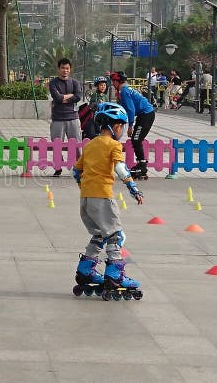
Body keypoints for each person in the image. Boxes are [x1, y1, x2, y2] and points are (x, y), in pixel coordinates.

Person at [71, 102, 144, 301]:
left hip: (86, 199)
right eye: (122, 126)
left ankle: (85, 271)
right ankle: (115, 276)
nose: (122, 131)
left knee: (98, 235)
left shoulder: (90, 144)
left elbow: (75, 171)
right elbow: (121, 169)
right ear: (115, 126)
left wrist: (84, 187)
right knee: (116, 237)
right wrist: (133, 189)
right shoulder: (114, 145)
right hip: (103, 197)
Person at [111, 70, 155, 179]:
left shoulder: (124, 91)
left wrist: (130, 126)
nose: (112, 84)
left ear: (118, 81)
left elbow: (131, 110)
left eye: (113, 81)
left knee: (136, 139)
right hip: (143, 115)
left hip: (146, 114)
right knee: (136, 140)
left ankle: (142, 166)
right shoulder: (124, 90)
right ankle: (141, 164)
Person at [48, 57, 82, 177]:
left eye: (67, 68)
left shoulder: (75, 83)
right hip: (57, 118)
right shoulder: (53, 83)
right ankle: (58, 167)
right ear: (58, 69)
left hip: (73, 117)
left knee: (77, 144)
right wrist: (69, 96)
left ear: (70, 69)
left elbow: (78, 97)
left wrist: (63, 97)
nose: (65, 70)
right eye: (62, 68)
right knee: (57, 144)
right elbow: (57, 98)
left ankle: (79, 167)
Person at [80, 76, 109, 140]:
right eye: (101, 85)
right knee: (92, 135)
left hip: (102, 118)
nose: (103, 86)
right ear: (97, 86)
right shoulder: (95, 95)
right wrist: (98, 103)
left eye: (104, 85)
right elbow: (92, 106)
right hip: (94, 118)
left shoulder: (105, 96)